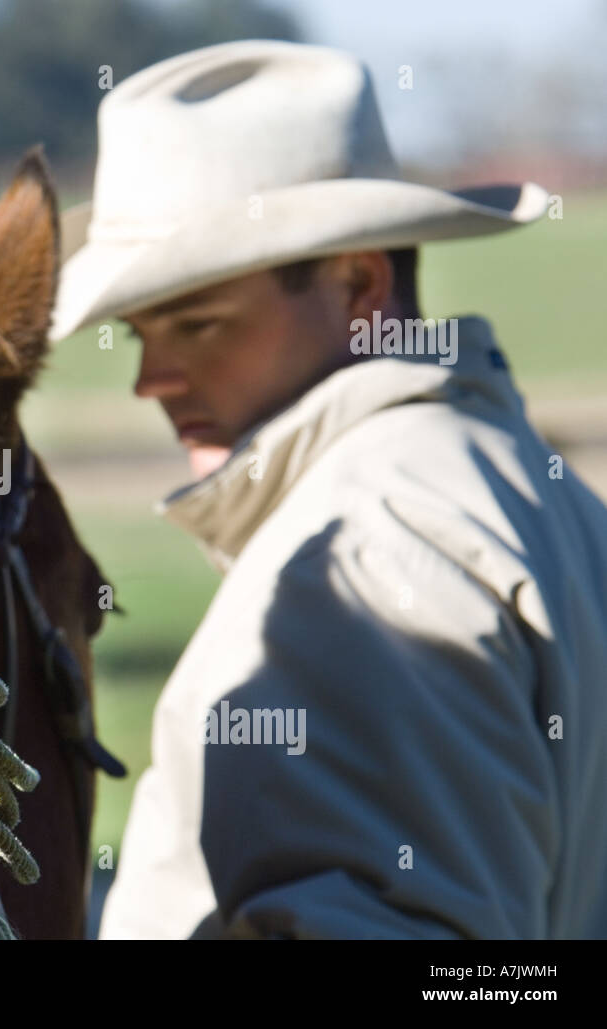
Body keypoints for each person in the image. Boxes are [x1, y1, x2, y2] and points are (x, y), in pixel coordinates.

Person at [50, 39, 607, 938]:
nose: (151, 381)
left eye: (197, 323)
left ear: (358, 285)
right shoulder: (538, 499)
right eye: (141, 333)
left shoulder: (364, 549)